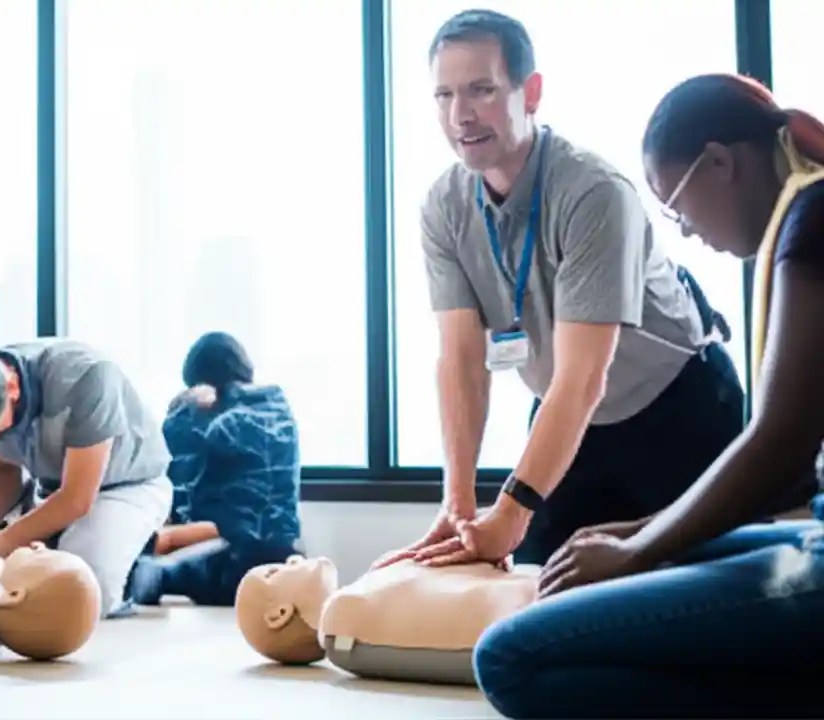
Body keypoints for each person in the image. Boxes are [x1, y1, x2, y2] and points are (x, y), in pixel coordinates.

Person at [473, 73, 824, 719]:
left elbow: (781, 447)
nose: (686, 233)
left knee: (508, 658)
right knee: (596, 584)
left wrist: (639, 548)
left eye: (677, 207)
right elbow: (794, 475)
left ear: (720, 163)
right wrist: (640, 534)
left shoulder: (812, 220)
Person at [372, 9, 763, 572]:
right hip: (571, 418)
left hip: (679, 407)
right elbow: (461, 361)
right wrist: (457, 504)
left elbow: (584, 377)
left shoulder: (592, 194)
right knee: (541, 589)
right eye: (444, 95)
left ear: (530, 92)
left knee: (686, 598)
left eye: (481, 90)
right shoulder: (444, 207)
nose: (461, 114)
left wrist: (509, 513)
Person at [0, 339, 172, 618]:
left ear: (12, 387)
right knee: (9, 576)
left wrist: (2, 543)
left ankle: (145, 571)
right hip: (50, 488)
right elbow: (3, 470)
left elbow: (77, 499)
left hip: (125, 486)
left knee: (80, 591)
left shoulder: (87, 378)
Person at [126, 332, 303, 607]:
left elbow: (195, 508)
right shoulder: (280, 411)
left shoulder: (208, 421)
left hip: (235, 561)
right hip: (286, 559)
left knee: (143, 570)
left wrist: (183, 415)